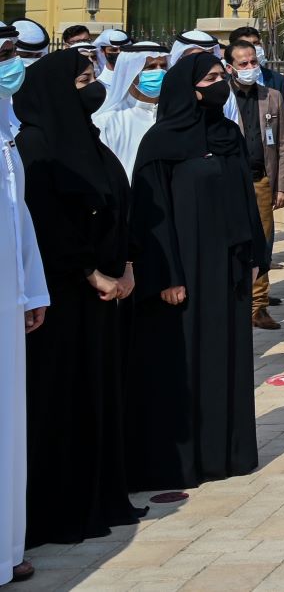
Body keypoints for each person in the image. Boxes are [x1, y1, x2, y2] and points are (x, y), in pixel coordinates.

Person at [18, 50, 144, 548]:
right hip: (64, 295)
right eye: (82, 79)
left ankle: (102, 496)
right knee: (62, 399)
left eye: (93, 77)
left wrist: (127, 265)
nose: (92, 87)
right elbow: (45, 222)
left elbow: (120, 203)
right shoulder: (36, 145)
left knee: (101, 395)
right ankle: (62, 508)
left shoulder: (90, 141)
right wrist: (92, 273)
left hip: (107, 293)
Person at [125, 53, 261, 490]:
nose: (221, 83)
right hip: (182, 271)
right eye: (212, 78)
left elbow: (245, 195)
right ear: (188, 87)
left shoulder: (228, 134)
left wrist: (253, 253)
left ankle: (224, 453)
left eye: (223, 76)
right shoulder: (161, 143)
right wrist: (166, 275)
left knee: (223, 356)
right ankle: (181, 462)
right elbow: (152, 215)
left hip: (226, 270)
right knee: (182, 360)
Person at [1, 23, 50, 587]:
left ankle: (8, 545)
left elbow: (21, 221)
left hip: (9, 300)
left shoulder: (8, 135)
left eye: (12, 55)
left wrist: (32, 289)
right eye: (4, 56)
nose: (11, 65)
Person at [225, 39, 284, 331]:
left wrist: (282, 185)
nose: (250, 68)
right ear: (230, 67)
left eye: (254, 62)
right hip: (228, 181)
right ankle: (231, 301)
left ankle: (258, 306)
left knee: (261, 242)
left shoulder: (272, 96)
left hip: (260, 180)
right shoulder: (221, 95)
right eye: (243, 63)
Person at [92, 41, 169, 180]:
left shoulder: (173, 116)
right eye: (150, 67)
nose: (159, 72)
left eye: (163, 66)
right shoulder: (107, 122)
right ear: (130, 73)